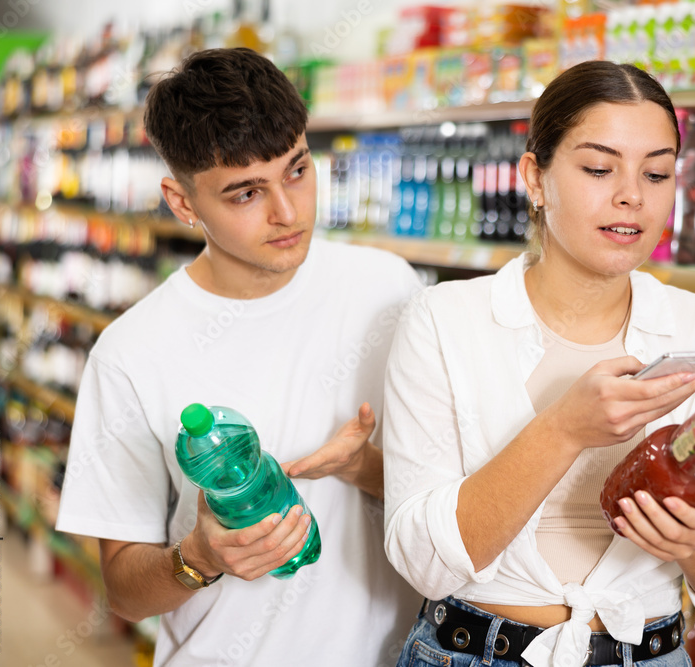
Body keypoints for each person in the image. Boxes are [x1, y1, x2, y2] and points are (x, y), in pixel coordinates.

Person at [382, 60, 695, 667]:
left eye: (658, 172)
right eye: (598, 168)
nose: (631, 195)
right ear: (534, 179)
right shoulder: (441, 320)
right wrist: (563, 429)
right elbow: (423, 561)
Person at [55, 48, 422, 666]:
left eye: (298, 170)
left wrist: (364, 468)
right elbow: (123, 590)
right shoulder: (130, 352)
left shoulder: (388, 286)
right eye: (246, 192)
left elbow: (445, 495)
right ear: (182, 204)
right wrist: (197, 559)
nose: (288, 212)